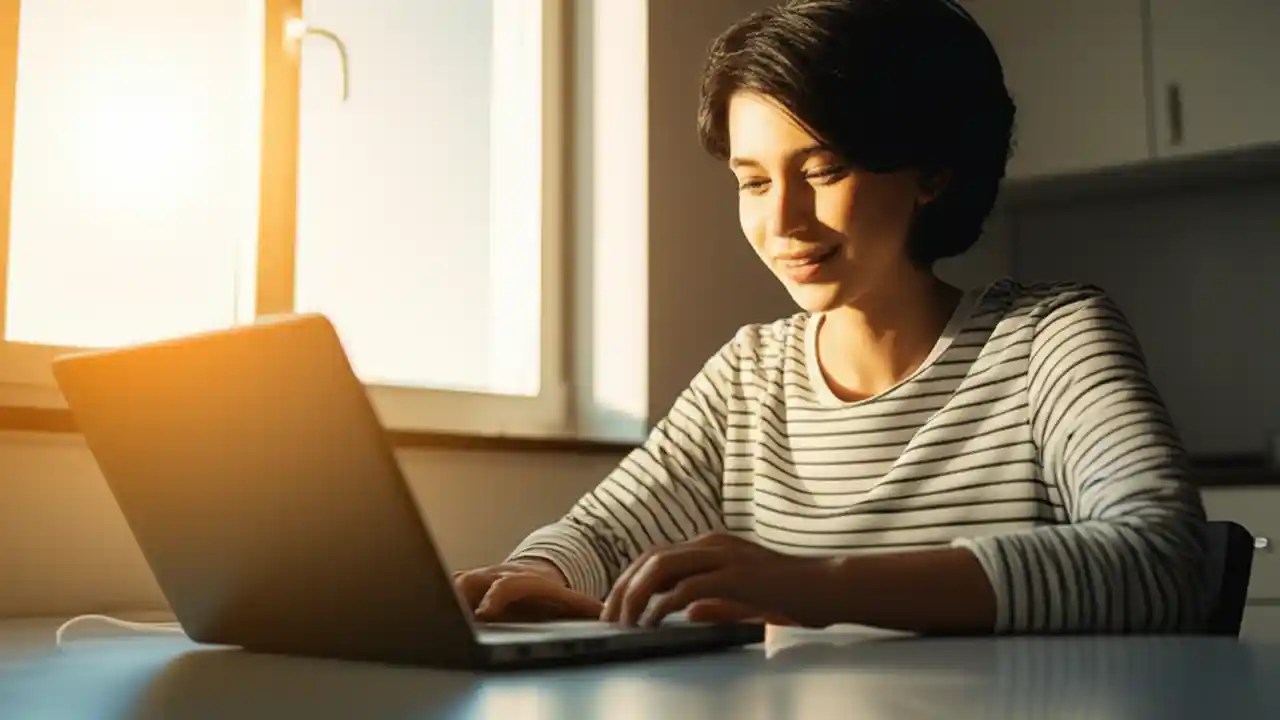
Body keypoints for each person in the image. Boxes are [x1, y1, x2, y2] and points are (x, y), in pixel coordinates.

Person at [453, 0, 1207, 634]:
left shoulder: (1051, 340)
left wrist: (813, 586)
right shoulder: (750, 377)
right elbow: (607, 532)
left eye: (824, 172)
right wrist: (524, 579)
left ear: (932, 172)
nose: (782, 220)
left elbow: (1161, 558)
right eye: (752, 182)